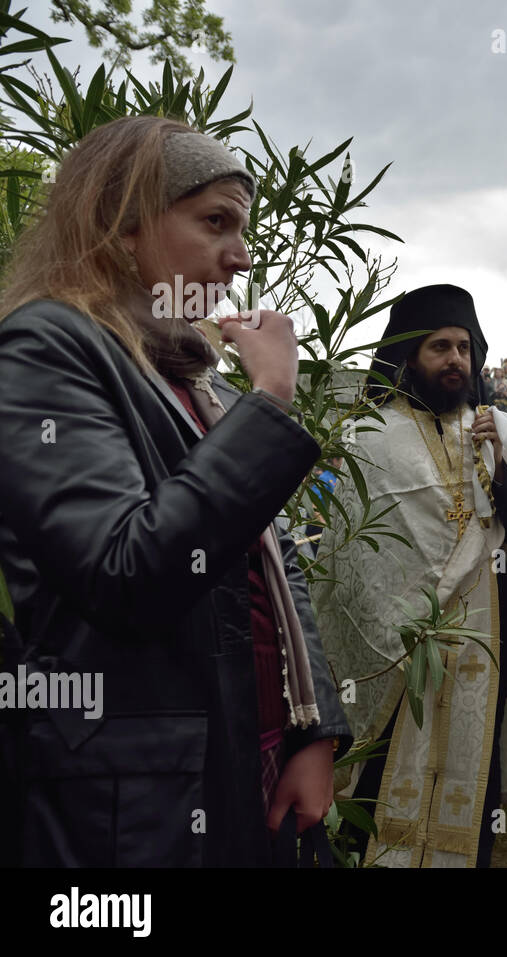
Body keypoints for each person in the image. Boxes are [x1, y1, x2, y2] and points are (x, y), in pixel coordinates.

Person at [0, 116, 351, 866]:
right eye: (214, 221)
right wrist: (274, 397)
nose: (241, 255)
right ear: (121, 227)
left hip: (240, 750)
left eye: (242, 226)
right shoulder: (45, 348)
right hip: (143, 802)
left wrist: (311, 730)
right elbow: (126, 570)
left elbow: (269, 559)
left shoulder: (189, 378)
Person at [312, 284, 507, 868]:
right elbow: (352, 565)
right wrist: (403, 633)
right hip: (399, 663)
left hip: (483, 654)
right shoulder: (371, 436)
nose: (455, 360)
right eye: (439, 346)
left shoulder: (493, 431)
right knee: (380, 789)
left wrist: (505, 479)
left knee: (474, 805)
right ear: (408, 357)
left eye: (464, 347)